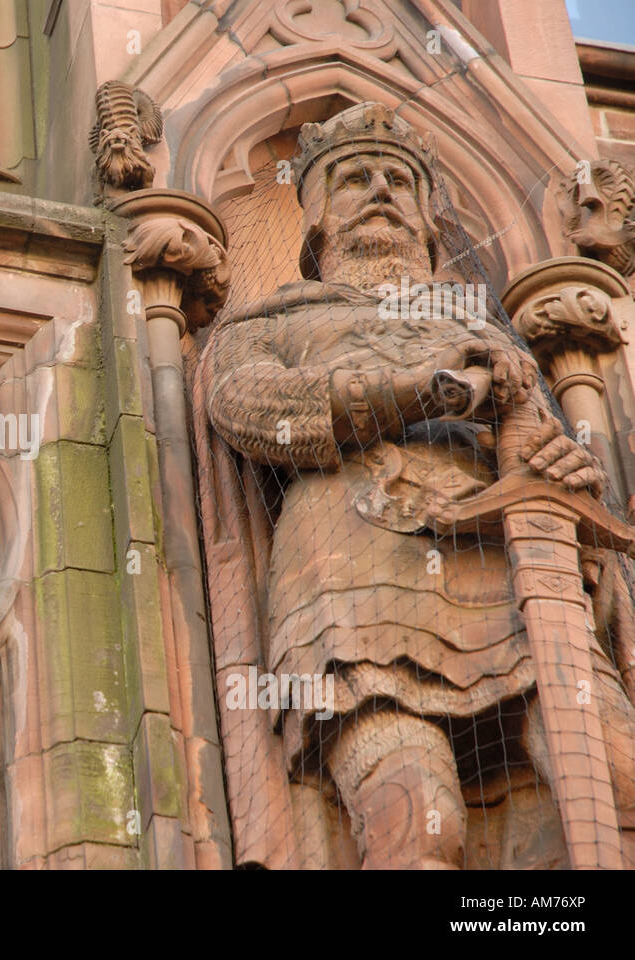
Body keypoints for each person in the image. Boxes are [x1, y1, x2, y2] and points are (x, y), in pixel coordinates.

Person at [199, 102, 635, 868]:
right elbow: (247, 406)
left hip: (515, 576)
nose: (380, 191)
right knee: (417, 820)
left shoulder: (488, 332)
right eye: (355, 179)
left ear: (431, 220)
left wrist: (564, 468)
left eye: (399, 180)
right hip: (353, 580)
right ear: (315, 222)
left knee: (617, 778)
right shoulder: (270, 323)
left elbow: (538, 442)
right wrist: (417, 390)